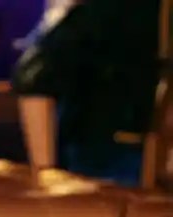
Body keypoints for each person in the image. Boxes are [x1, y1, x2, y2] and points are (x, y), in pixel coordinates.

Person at [12, 0, 160, 185]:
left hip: (105, 163)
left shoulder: (101, 13)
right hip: (111, 161)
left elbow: (33, 79)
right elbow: (34, 78)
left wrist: (45, 177)